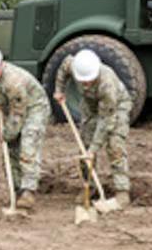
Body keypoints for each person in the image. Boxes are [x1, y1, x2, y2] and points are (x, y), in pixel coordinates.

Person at [54, 49, 132, 208]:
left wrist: (94, 149)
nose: (86, 84)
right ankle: (89, 186)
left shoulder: (107, 84)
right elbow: (63, 68)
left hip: (116, 107)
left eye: (89, 81)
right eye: (83, 81)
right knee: (84, 147)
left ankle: (122, 192)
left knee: (114, 145)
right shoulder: (74, 65)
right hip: (90, 107)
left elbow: (106, 121)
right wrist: (59, 90)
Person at [0, 45, 50, 210]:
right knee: (10, 150)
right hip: (14, 107)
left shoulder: (13, 81)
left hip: (34, 108)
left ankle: (29, 191)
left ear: (1, 64)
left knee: (28, 144)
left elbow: (18, 115)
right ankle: (17, 190)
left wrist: (7, 133)